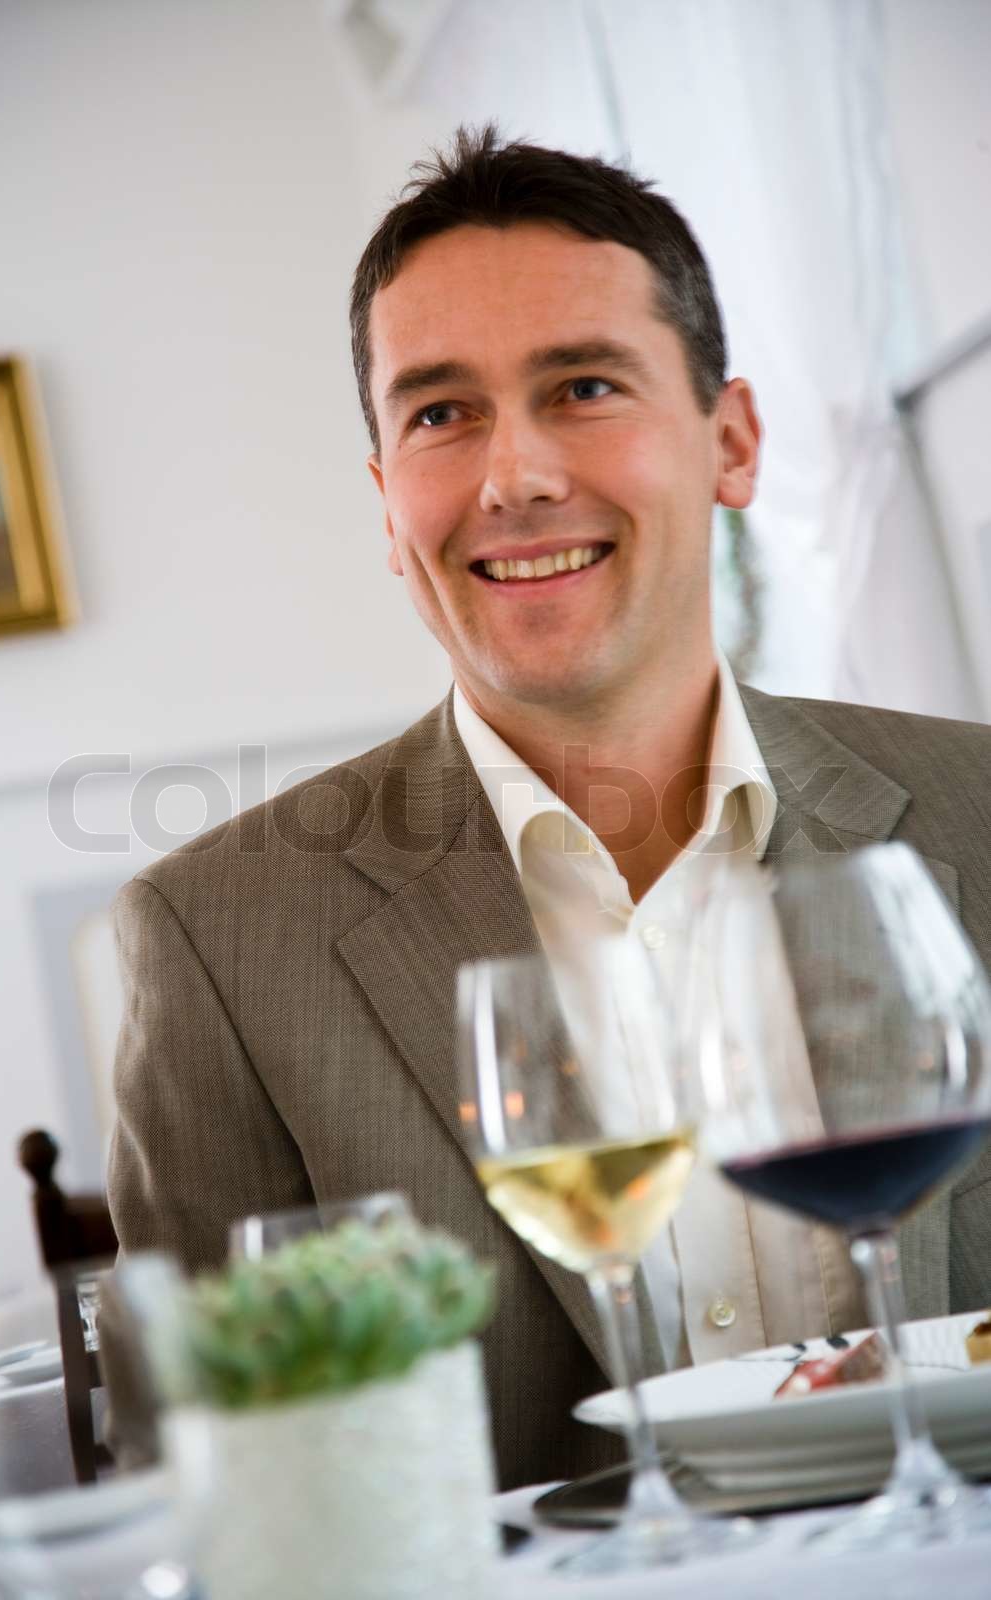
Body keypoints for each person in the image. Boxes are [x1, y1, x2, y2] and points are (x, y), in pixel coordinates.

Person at [108, 126, 991, 1491]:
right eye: (441, 413)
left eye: (583, 385)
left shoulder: (979, 810)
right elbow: (225, 1482)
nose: (512, 476)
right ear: (389, 508)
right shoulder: (216, 942)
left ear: (732, 442)